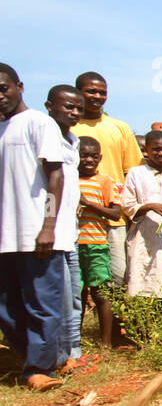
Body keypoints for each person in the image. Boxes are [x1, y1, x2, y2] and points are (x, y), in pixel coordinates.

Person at [0, 65, 73, 390]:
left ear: (20, 86)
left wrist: (48, 225)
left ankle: (39, 370)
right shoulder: (3, 129)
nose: (0, 97)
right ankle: (43, 356)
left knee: (43, 304)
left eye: (4, 89)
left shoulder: (38, 123)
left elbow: (55, 177)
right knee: (7, 306)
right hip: (6, 235)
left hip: (38, 233)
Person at [70, 71, 141, 286]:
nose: (97, 96)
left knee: (116, 278)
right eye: (91, 91)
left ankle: (113, 321)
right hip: (76, 217)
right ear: (78, 92)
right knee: (77, 281)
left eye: (102, 92)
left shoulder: (120, 128)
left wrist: (129, 210)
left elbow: (132, 172)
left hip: (113, 217)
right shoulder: (68, 127)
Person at [46, 86, 88, 372]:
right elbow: (51, 189)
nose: (73, 113)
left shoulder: (72, 141)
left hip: (69, 233)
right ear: (50, 106)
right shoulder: (46, 136)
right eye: (67, 107)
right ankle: (56, 356)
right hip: (51, 233)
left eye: (78, 109)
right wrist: (48, 225)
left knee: (73, 296)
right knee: (56, 299)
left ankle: (73, 352)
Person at [121, 130, 162, 304]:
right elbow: (127, 206)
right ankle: (144, 329)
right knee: (142, 283)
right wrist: (149, 206)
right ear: (146, 150)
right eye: (156, 149)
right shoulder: (136, 173)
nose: (161, 153)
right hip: (143, 237)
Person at [76, 136, 121, 350]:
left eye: (93, 156)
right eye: (83, 155)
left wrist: (87, 203)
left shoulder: (104, 181)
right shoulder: (67, 179)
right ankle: (73, 340)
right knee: (76, 294)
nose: (88, 160)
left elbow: (115, 213)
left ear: (100, 157)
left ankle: (105, 343)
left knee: (101, 293)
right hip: (72, 245)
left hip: (96, 244)